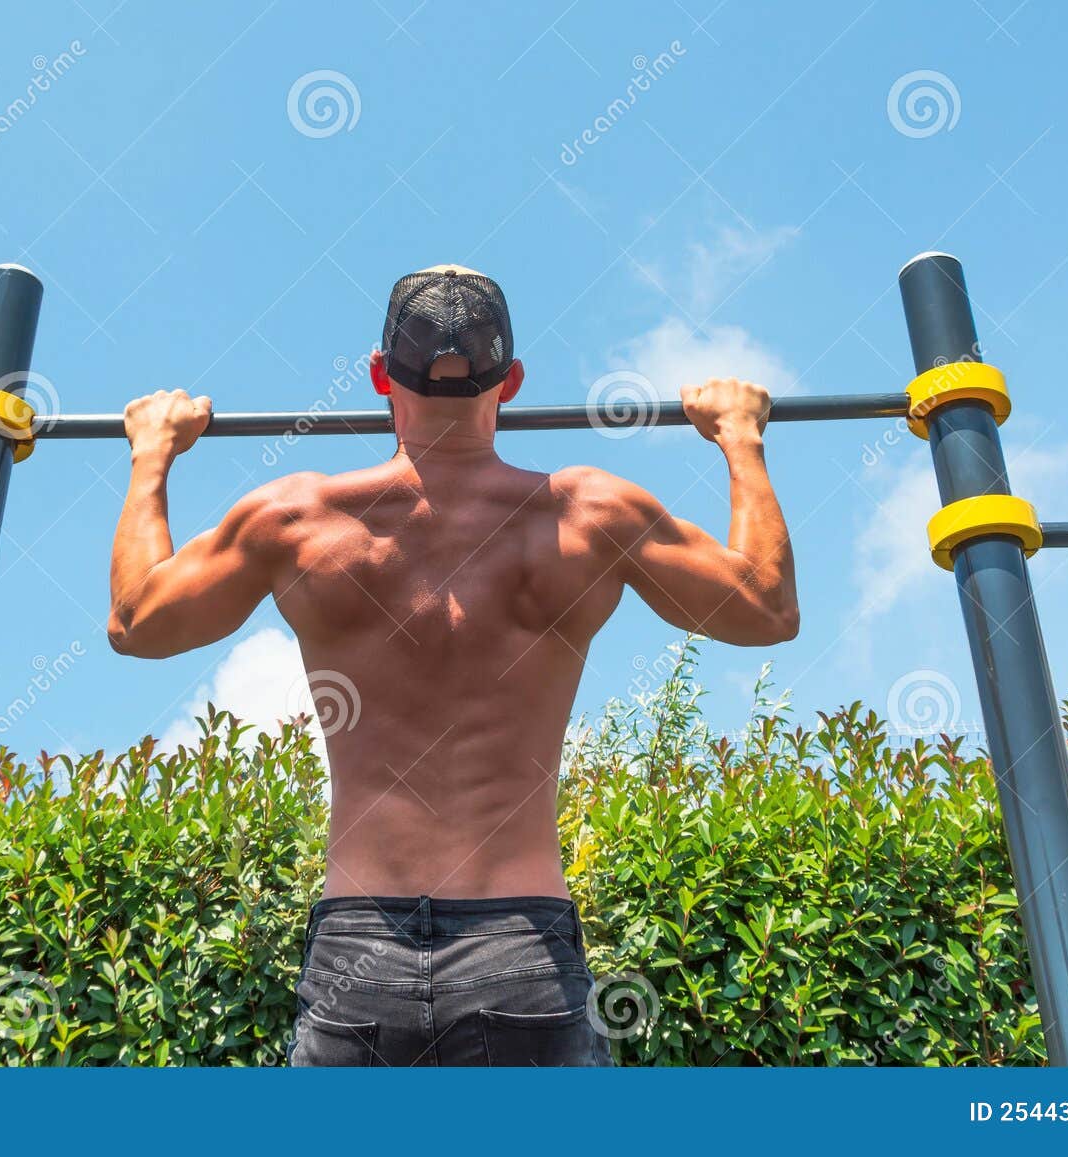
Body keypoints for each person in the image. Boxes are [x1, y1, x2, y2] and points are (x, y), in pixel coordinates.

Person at [107, 264, 798, 1066]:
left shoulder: (296, 519)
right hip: (522, 951)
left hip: (359, 954)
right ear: (511, 381)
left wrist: (152, 454)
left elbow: (137, 622)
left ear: (378, 376)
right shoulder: (589, 514)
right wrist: (740, 438)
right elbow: (767, 609)